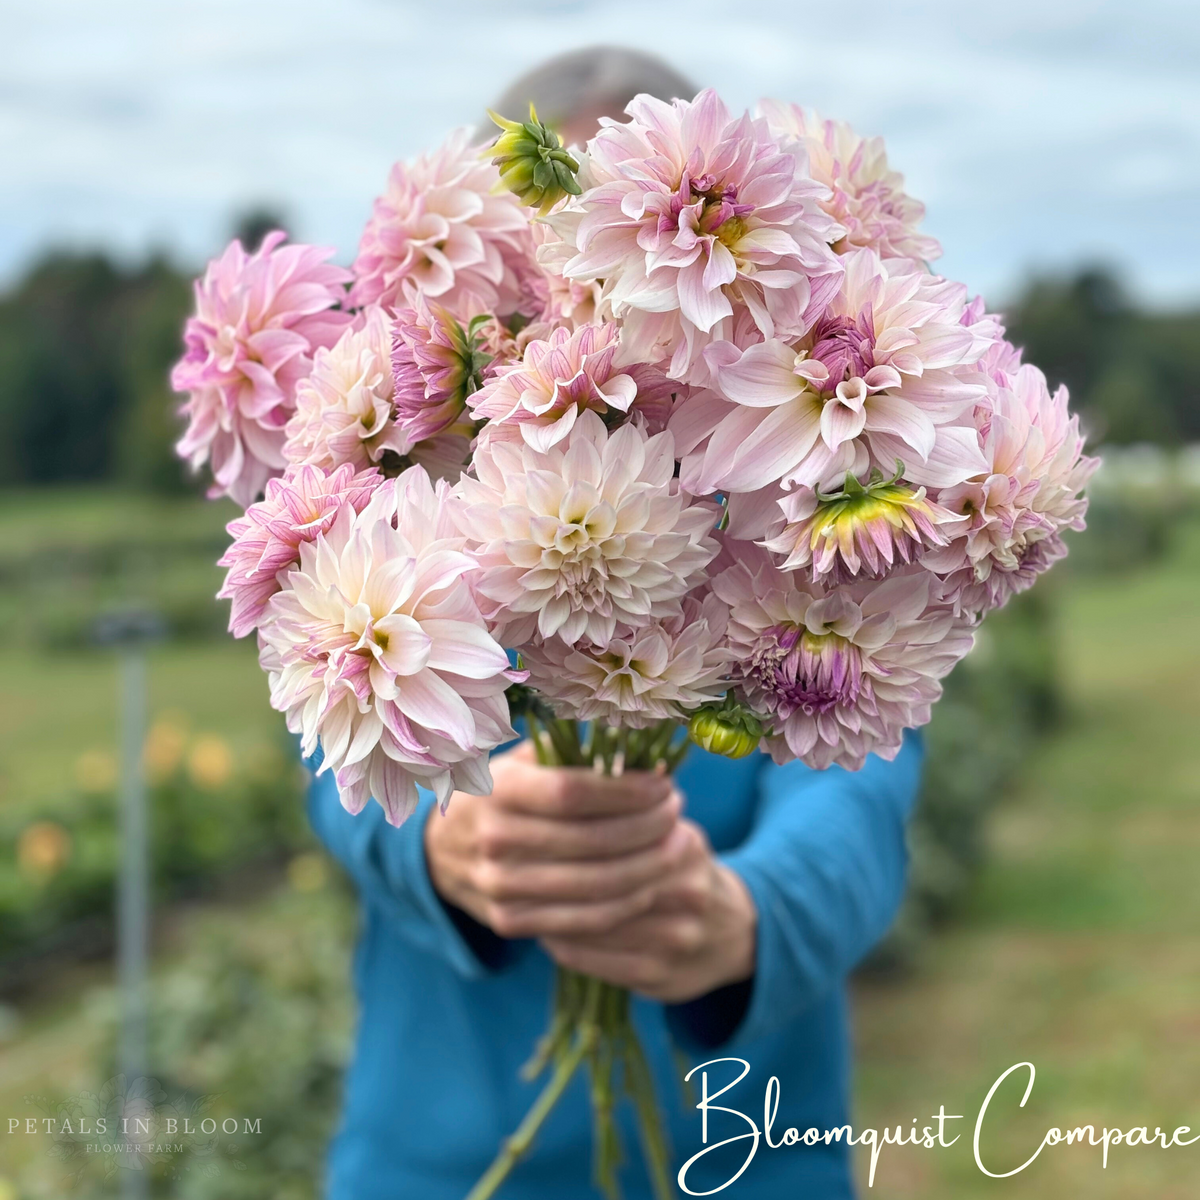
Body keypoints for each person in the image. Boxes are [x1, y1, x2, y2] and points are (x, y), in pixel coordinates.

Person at [307, 48, 925, 1200]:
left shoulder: (806, 485)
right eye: (565, 225)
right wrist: (438, 845)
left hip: (743, 1160)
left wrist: (740, 919)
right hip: (438, 1164)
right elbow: (328, 753)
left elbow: (864, 785)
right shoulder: (412, 471)